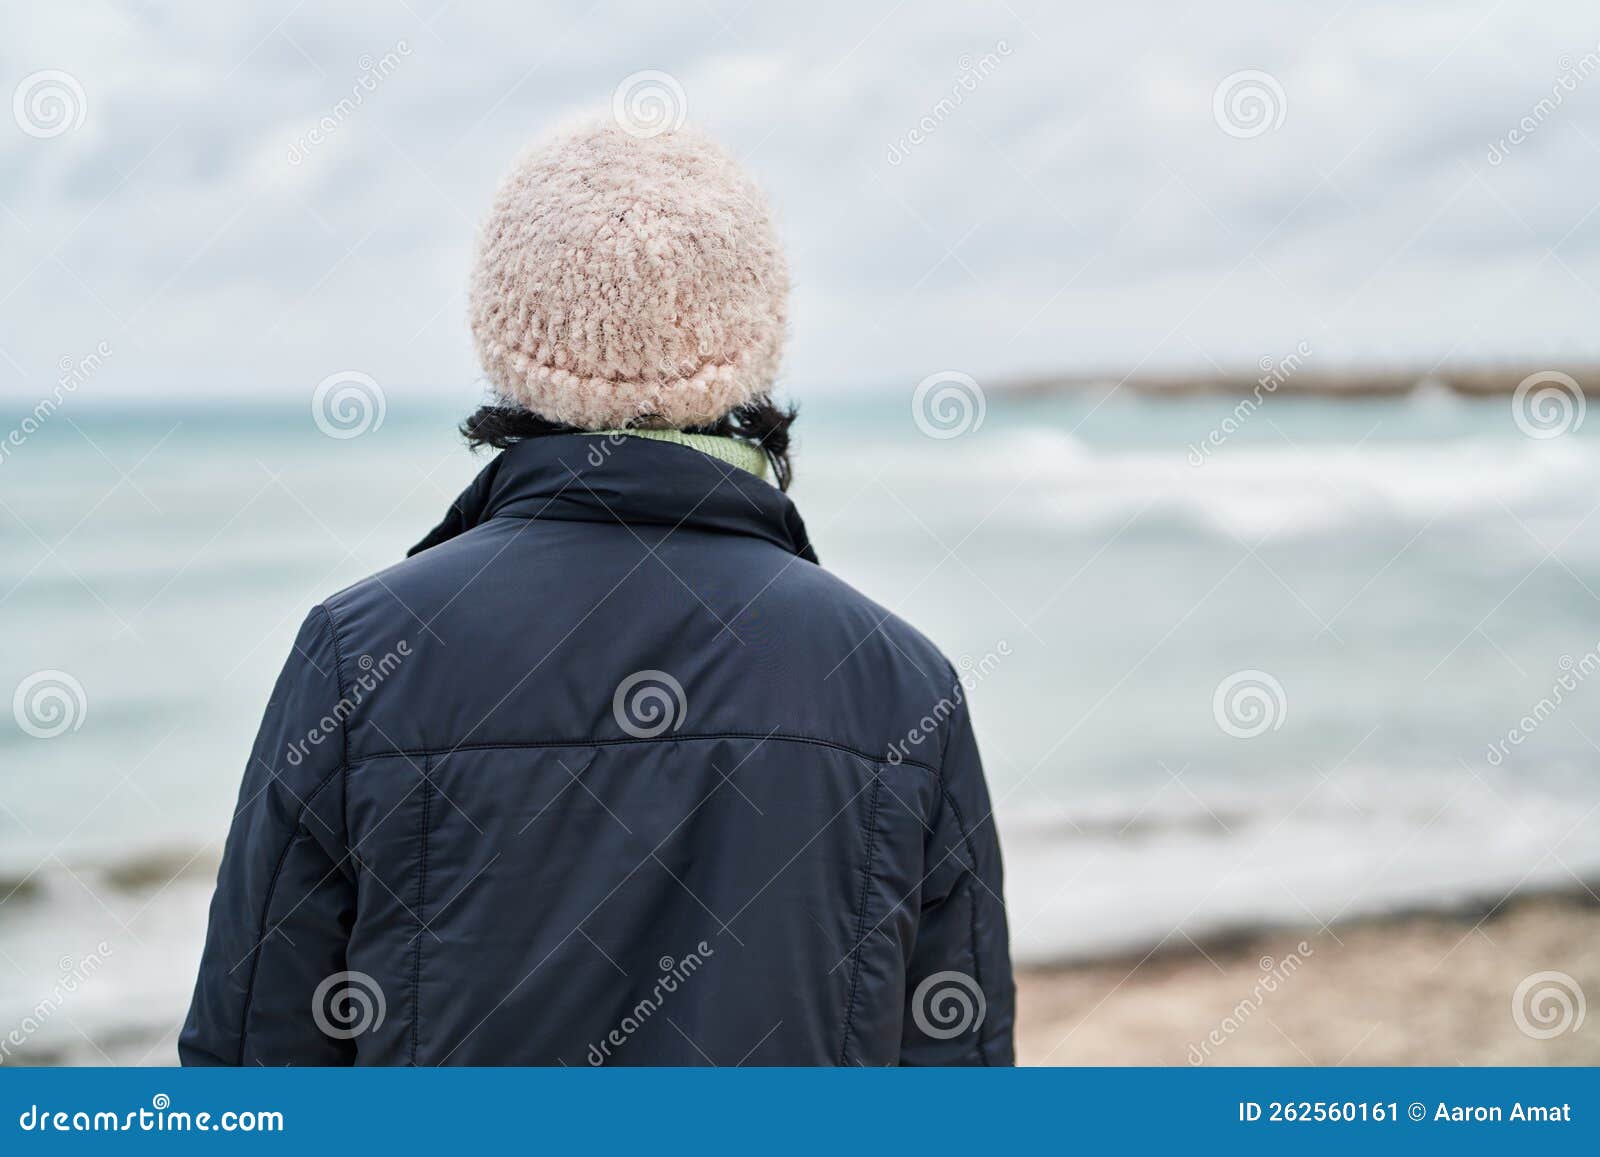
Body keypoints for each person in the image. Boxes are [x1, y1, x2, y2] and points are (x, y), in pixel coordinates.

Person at [180, 118, 1013, 1066]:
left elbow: (251, 1060)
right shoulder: (901, 681)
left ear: (504, 333)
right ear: (752, 338)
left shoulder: (359, 651)